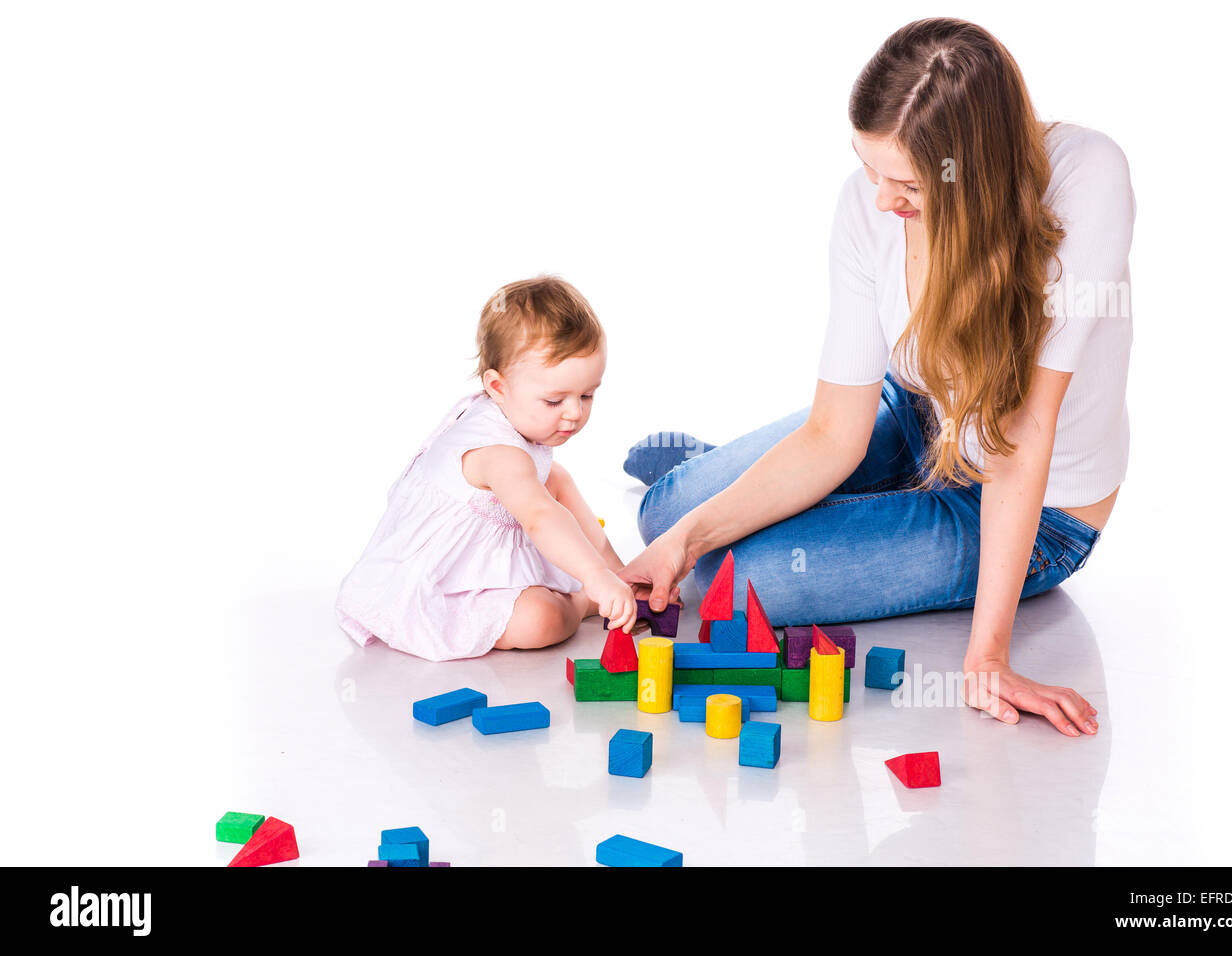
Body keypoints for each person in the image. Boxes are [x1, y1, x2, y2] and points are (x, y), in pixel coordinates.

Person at [619, 17, 1135, 738]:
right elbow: (836, 430)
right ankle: (722, 479)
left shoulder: (1088, 178)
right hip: (920, 416)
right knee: (666, 524)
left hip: (1037, 504)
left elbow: (1022, 433)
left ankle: (758, 486)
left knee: (729, 586)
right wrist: (688, 536)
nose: (882, 198)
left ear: (972, 173)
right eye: (870, 169)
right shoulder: (869, 203)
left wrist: (988, 655)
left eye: (908, 184)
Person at [335, 275, 639, 661]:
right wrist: (594, 582)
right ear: (496, 386)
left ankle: (613, 571)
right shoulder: (497, 452)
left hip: (483, 551)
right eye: (553, 400)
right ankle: (581, 602)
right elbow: (540, 517)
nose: (574, 413)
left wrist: (612, 572)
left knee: (556, 477)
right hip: (443, 583)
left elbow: (550, 495)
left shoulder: (518, 419)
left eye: (586, 395)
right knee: (542, 620)